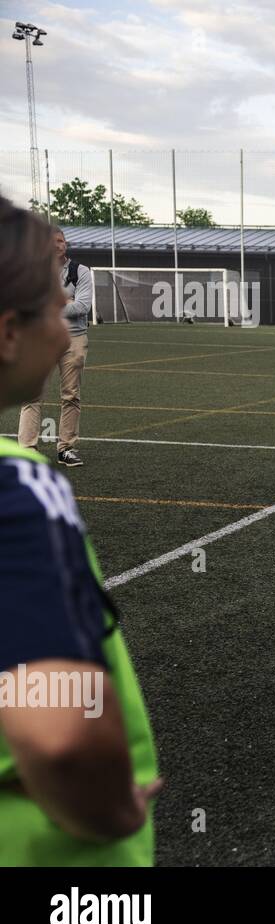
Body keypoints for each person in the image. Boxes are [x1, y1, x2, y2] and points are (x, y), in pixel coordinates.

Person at [0, 194, 161, 864]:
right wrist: (116, 810)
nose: (65, 330)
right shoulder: (18, 492)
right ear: (9, 330)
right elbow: (60, 728)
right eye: (52, 309)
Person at [17, 227, 91, 467]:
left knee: (71, 396)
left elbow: (82, 307)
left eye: (61, 241)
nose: (57, 245)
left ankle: (66, 448)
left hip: (74, 339)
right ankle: (27, 451)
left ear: (65, 245)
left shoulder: (81, 272)